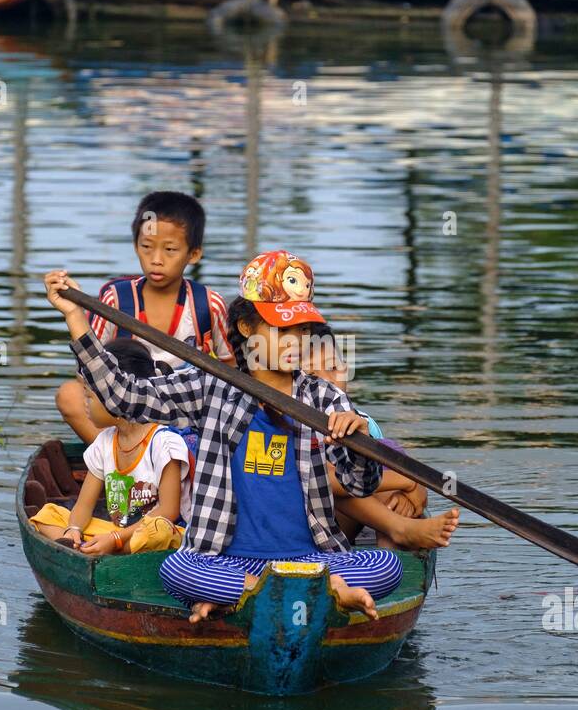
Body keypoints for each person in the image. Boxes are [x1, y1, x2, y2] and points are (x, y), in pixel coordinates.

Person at [44, 250, 428, 624]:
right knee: (180, 568)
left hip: (311, 559)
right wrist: (76, 317)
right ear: (247, 328)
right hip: (229, 559)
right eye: (282, 329)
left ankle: (250, 595)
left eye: (303, 330)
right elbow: (122, 396)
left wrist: (356, 441)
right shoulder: (213, 387)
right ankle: (315, 592)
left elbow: (359, 484)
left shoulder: (324, 398)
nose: (296, 342)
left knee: (385, 566)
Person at [55, 191, 234, 444]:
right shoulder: (115, 300)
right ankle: (117, 458)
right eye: (146, 247)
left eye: (170, 250)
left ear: (193, 254)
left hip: (185, 413)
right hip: (124, 407)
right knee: (70, 395)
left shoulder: (208, 304)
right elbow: (87, 368)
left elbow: (231, 371)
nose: (156, 260)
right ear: (135, 245)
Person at [30, 340, 190, 556]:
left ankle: (98, 550)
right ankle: (89, 547)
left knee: (158, 531)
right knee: (48, 514)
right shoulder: (105, 442)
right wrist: (73, 529)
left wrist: (115, 539)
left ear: (119, 395)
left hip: (151, 536)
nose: (85, 403)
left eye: (89, 396)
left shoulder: (164, 443)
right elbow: (84, 506)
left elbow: (169, 511)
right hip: (118, 534)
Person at [306, 323, 457, 551]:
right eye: (312, 375)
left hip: (343, 525)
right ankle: (399, 529)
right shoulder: (292, 422)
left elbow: (393, 471)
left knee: (393, 494)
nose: (329, 383)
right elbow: (319, 480)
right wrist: (408, 480)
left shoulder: (362, 423)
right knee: (353, 480)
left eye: (334, 368)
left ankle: (392, 567)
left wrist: (415, 491)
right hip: (304, 527)